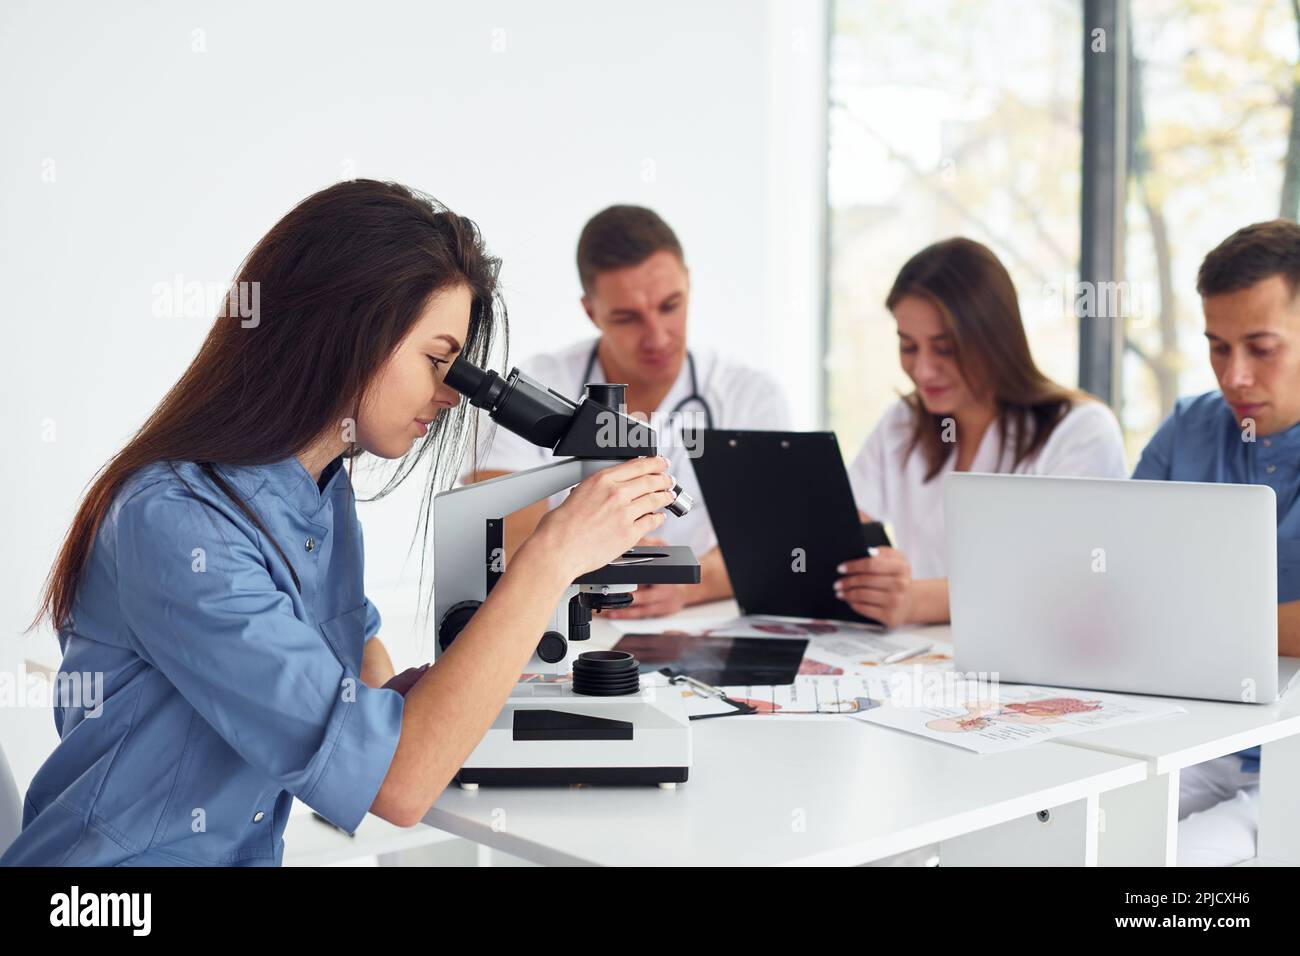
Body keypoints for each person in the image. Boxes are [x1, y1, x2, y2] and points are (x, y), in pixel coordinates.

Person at [2, 180, 676, 866]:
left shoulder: (321, 494)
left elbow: (357, 655)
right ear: (344, 330)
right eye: (436, 360)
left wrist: (416, 699)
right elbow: (400, 786)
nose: (448, 394)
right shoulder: (176, 523)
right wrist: (551, 555)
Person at [463, 204, 791, 619]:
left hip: (697, 622)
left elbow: (776, 542)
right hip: (563, 621)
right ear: (591, 312)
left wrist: (688, 586)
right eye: (627, 318)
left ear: (688, 284)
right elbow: (501, 537)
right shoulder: (524, 394)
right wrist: (591, 549)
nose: (656, 337)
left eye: (670, 306)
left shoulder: (752, 396)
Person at [835, 237, 1127, 627]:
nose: (922, 371)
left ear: (993, 338)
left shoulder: (1080, 431)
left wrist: (913, 600)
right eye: (908, 346)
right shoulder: (904, 421)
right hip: (913, 658)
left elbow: (1062, 586)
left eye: (944, 349)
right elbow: (843, 527)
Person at [1132, 219, 1300, 866]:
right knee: (1066, 832)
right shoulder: (1190, 428)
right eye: (1217, 347)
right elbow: (1115, 581)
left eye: (1261, 348)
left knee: (1163, 873)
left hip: (1288, 756)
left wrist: (1184, 619)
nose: (1234, 376)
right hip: (1195, 740)